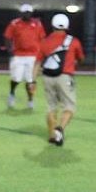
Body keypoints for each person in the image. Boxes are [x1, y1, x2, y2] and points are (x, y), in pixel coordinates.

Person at [37, 11, 83, 146]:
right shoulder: (73, 41)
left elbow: (38, 61)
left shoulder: (45, 41)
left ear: (52, 25)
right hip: (65, 76)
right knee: (69, 106)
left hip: (47, 77)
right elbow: (81, 58)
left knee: (51, 107)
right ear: (67, 26)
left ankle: (53, 136)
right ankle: (60, 128)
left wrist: (32, 80)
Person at [3, 4, 45, 111]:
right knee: (16, 78)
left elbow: (42, 39)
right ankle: (12, 93)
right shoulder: (15, 23)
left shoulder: (37, 24)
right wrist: (10, 51)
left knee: (30, 80)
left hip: (33, 56)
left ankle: (30, 99)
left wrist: (42, 53)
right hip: (18, 55)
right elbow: (7, 37)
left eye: (29, 12)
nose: (27, 14)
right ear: (21, 13)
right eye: (25, 12)